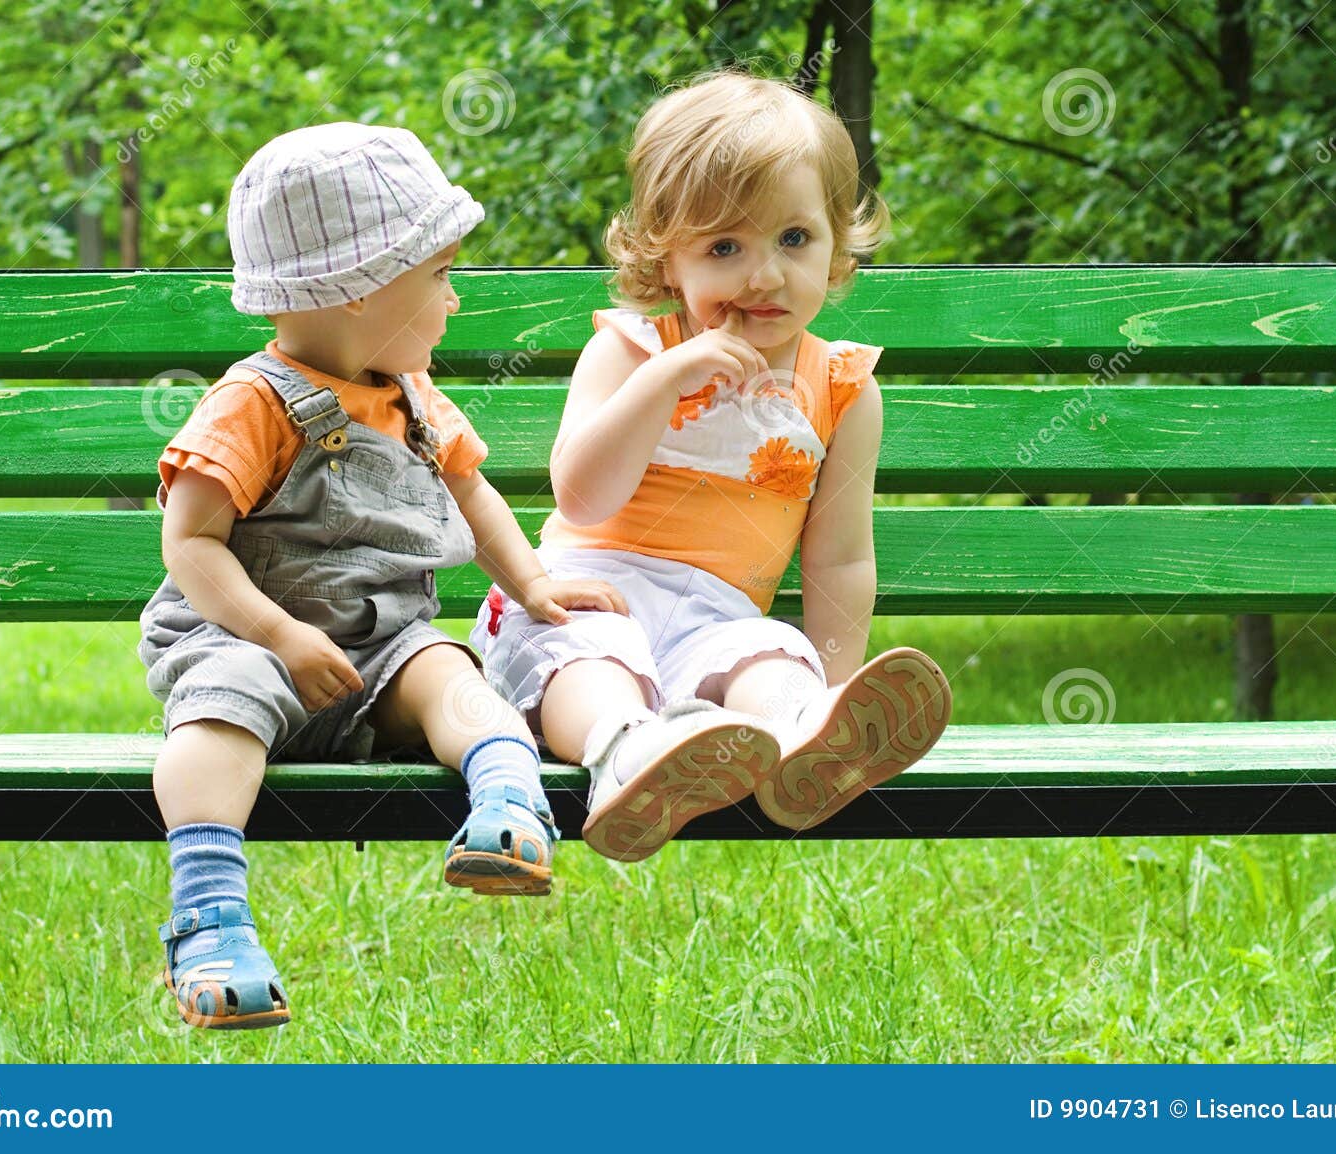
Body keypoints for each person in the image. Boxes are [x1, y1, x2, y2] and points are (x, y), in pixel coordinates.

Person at [138, 123, 625, 1030]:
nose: (454, 298)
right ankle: (210, 914)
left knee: (451, 676)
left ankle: (508, 805)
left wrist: (533, 584)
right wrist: (279, 634)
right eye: (440, 275)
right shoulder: (251, 403)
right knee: (217, 718)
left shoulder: (412, 396)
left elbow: (472, 494)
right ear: (361, 285)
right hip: (242, 638)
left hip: (379, 647)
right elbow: (190, 545)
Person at [472, 72, 952, 864]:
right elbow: (582, 498)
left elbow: (839, 558)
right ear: (668, 259)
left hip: (716, 624)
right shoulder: (632, 351)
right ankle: (627, 752)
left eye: (794, 239)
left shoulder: (841, 389)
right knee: (591, 661)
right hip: (583, 595)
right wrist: (665, 381)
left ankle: (807, 738)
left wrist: (834, 679)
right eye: (725, 247)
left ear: (836, 246)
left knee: (769, 656)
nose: (764, 276)